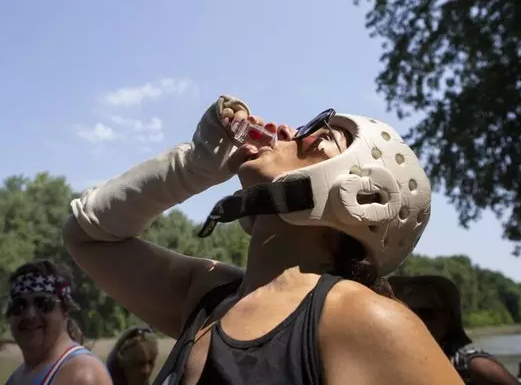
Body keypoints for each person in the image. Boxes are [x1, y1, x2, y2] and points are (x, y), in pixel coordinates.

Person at [63, 95, 465, 384]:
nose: (289, 131)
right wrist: (192, 166)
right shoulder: (207, 298)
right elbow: (87, 235)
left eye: (317, 132)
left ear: (363, 196)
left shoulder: (369, 322)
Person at [389, 275, 519, 385]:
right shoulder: (394, 362)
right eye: (408, 312)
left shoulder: (472, 365)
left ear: (448, 319)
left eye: (426, 314)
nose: (416, 320)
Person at [4, 259, 111, 385]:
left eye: (43, 304)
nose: (30, 315)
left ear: (65, 309)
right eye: (19, 305)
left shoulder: (82, 375)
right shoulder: (17, 377)